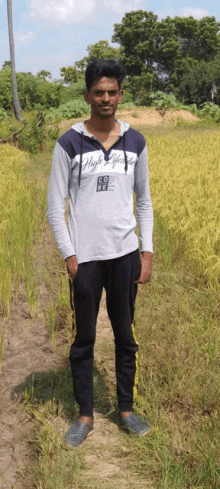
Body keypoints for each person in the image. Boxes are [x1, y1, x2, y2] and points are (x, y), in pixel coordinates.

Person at [47, 58, 153, 447]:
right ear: (87, 95)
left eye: (112, 92)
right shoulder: (69, 143)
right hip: (86, 259)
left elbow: (144, 202)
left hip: (125, 253)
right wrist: (70, 256)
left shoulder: (136, 141)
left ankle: (126, 410)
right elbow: (54, 204)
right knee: (83, 339)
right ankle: (85, 416)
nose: (105, 98)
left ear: (120, 95)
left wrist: (148, 250)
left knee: (126, 336)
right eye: (98, 92)